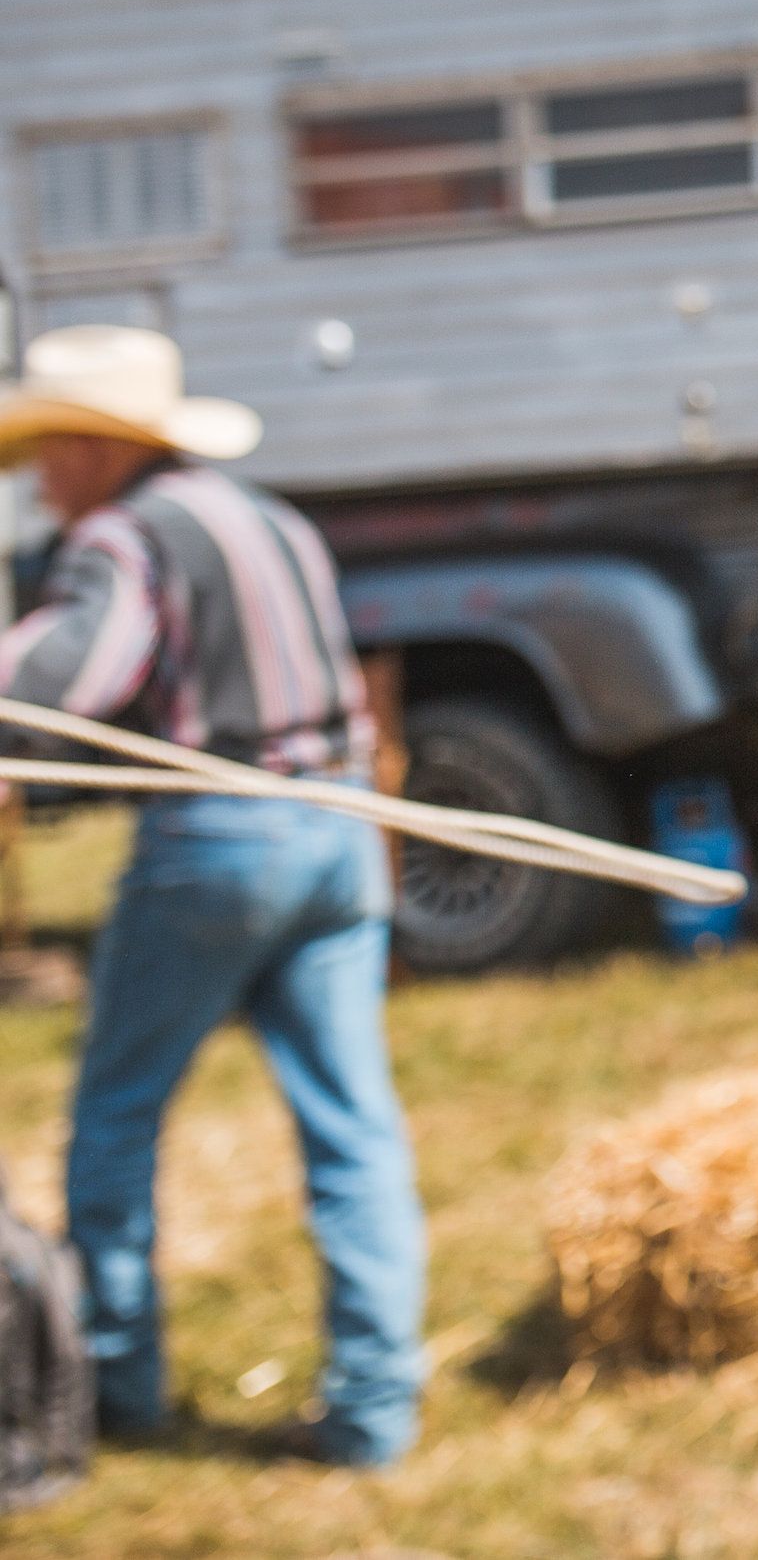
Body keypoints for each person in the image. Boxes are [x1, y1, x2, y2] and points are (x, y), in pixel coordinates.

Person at [0, 328, 418, 1468]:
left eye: (48, 451)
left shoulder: (123, 537)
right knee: (352, 1122)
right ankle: (376, 1406)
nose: (39, 478)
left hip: (222, 835)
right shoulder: (273, 518)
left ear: (95, 448)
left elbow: (60, 687)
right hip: (339, 823)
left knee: (117, 1113)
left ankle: (114, 1382)